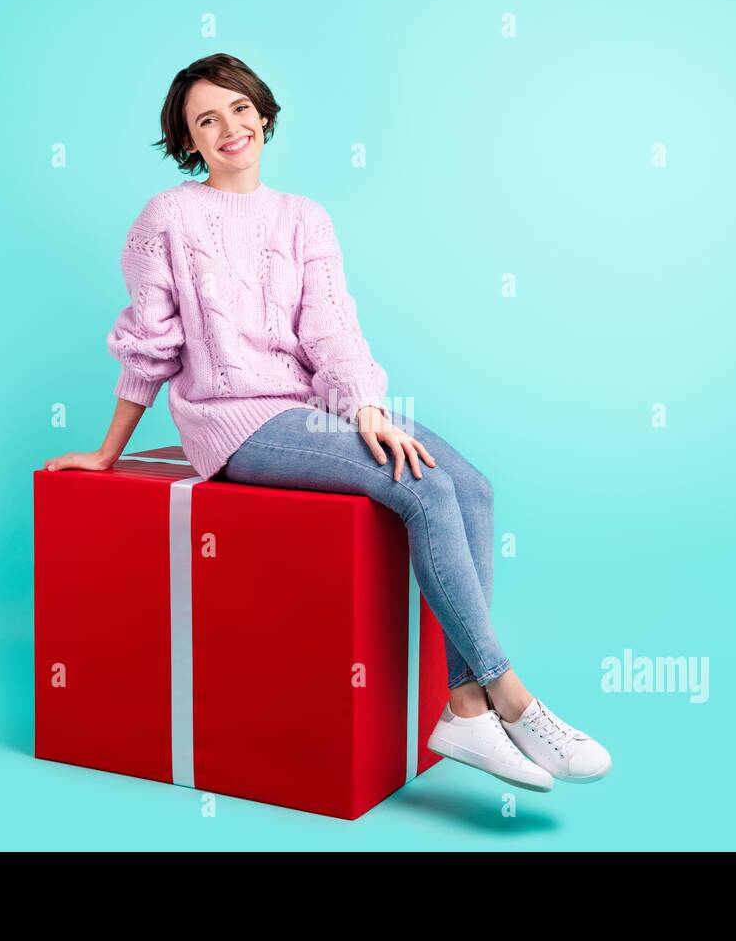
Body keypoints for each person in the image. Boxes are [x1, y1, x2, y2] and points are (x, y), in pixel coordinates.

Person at [44, 53, 612, 791]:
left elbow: (332, 332)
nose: (229, 128)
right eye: (205, 120)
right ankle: (510, 696)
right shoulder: (169, 217)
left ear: (265, 115)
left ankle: (466, 708)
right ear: (188, 142)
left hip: (311, 410)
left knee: (470, 487)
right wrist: (107, 450)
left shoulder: (304, 217)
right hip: (234, 421)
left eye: (240, 109)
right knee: (423, 491)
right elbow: (151, 341)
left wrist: (366, 408)